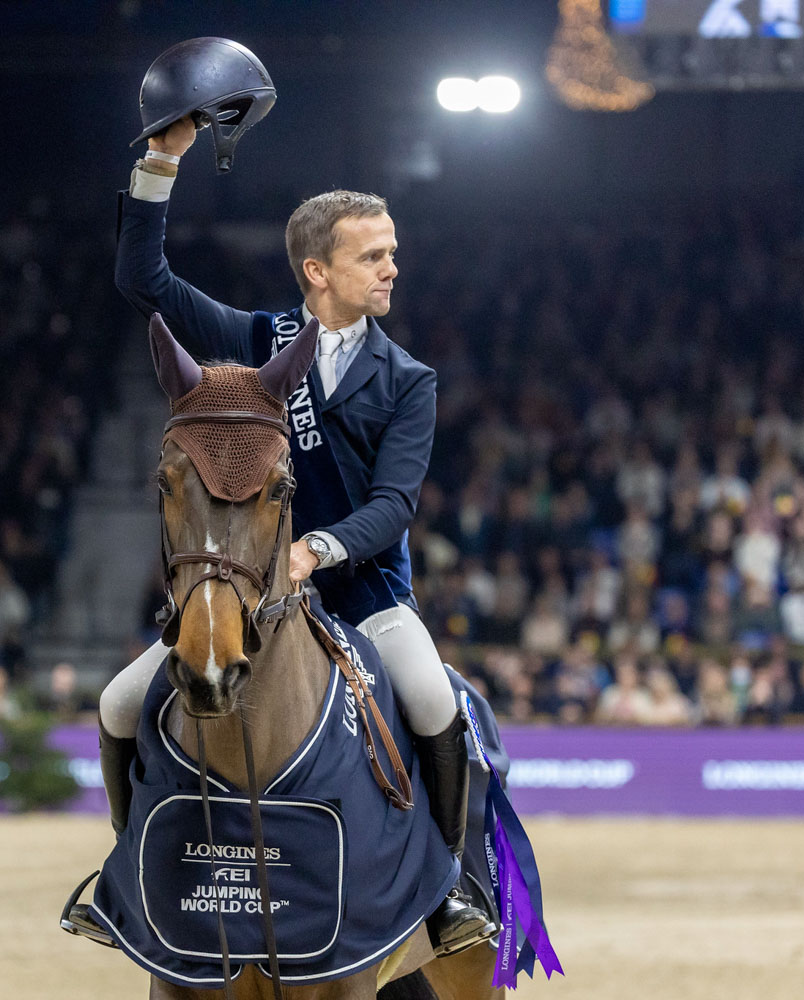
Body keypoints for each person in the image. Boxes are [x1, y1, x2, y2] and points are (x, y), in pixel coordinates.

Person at [70, 110, 490, 956]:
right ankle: (126, 879)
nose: (391, 268)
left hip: (364, 594)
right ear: (317, 269)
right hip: (247, 591)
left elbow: (394, 505)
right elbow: (143, 278)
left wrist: (317, 549)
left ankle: (448, 890)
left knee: (437, 701)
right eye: (373, 255)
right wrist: (160, 163)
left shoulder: (408, 380)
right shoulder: (260, 342)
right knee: (118, 704)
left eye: (392, 252)